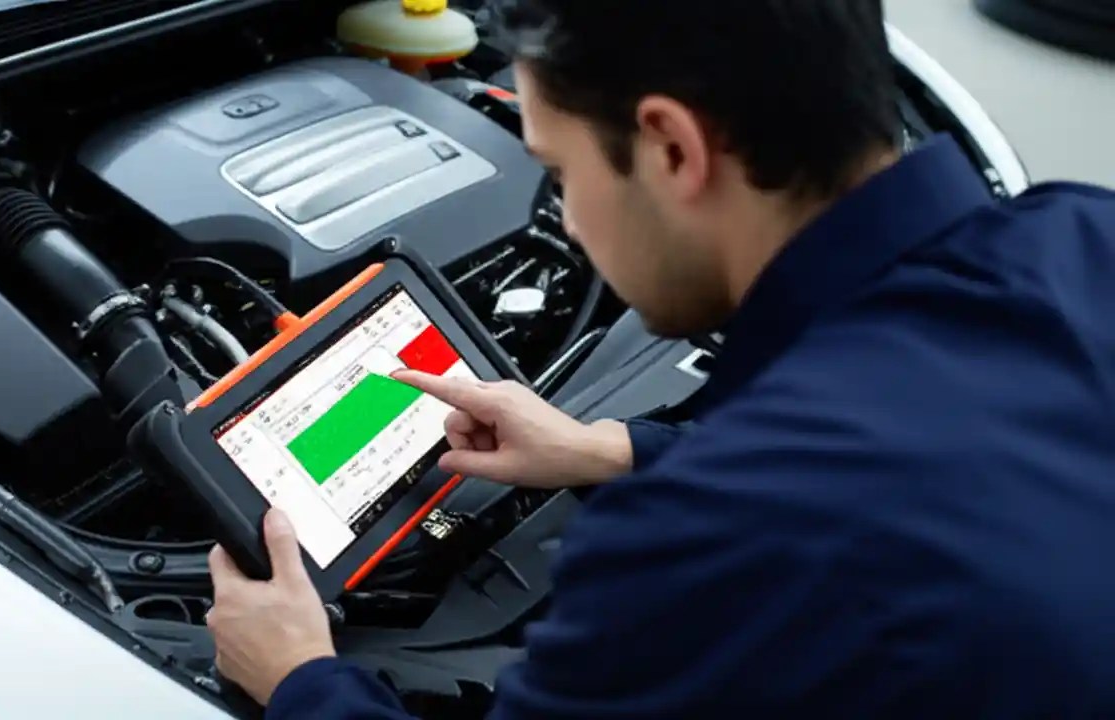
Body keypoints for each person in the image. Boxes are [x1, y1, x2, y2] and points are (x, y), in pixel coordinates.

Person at [203, 0, 1115, 716]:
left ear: (673, 149)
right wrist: (614, 451)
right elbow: (926, 476)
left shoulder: (699, 550)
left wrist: (300, 679)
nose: (567, 220)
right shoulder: (1085, 235)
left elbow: (803, 519)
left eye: (560, 176)